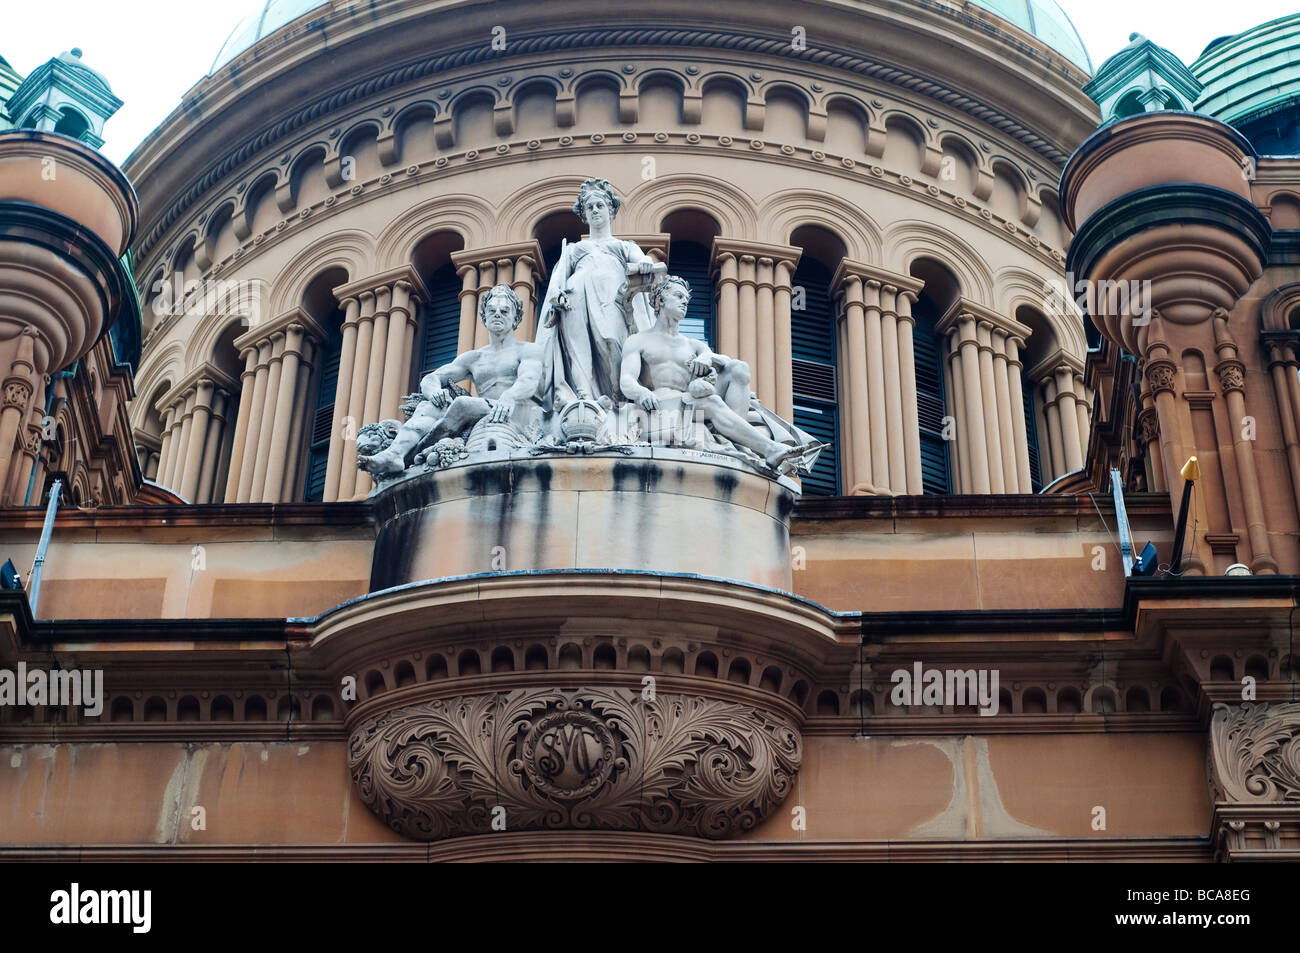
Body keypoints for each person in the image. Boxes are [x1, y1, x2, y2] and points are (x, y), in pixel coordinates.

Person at [619, 276, 810, 474]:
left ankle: (737, 438)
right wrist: (641, 392)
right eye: (678, 296)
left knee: (739, 368)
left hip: (688, 403)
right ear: (660, 300)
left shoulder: (693, 345)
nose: (685, 301)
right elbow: (626, 379)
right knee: (712, 402)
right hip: (658, 406)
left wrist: (708, 359)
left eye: (687, 298)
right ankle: (769, 448)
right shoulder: (639, 340)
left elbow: (727, 364)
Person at [360, 284, 542, 475]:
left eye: (505, 310)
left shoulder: (527, 350)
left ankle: (414, 454)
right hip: (485, 409)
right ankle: (395, 454)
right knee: (427, 407)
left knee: (462, 404)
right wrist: (435, 392)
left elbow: (529, 380)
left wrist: (510, 396)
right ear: (484, 317)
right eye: (492, 310)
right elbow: (431, 378)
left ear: (516, 318)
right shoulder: (474, 358)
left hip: (516, 414)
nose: (498, 314)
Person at [535, 177, 664, 410]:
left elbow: (645, 263)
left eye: (600, 205)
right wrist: (556, 294)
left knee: (612, 340)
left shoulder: (623, 246)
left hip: (611, 298)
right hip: (575, 299)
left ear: (610, 210)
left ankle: (618, 399)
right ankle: (585, 398)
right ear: (584, 215)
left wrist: (645, 263)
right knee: (577, 349)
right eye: (589, 207)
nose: (595, 211)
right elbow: (558, 279)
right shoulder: (575, 249)